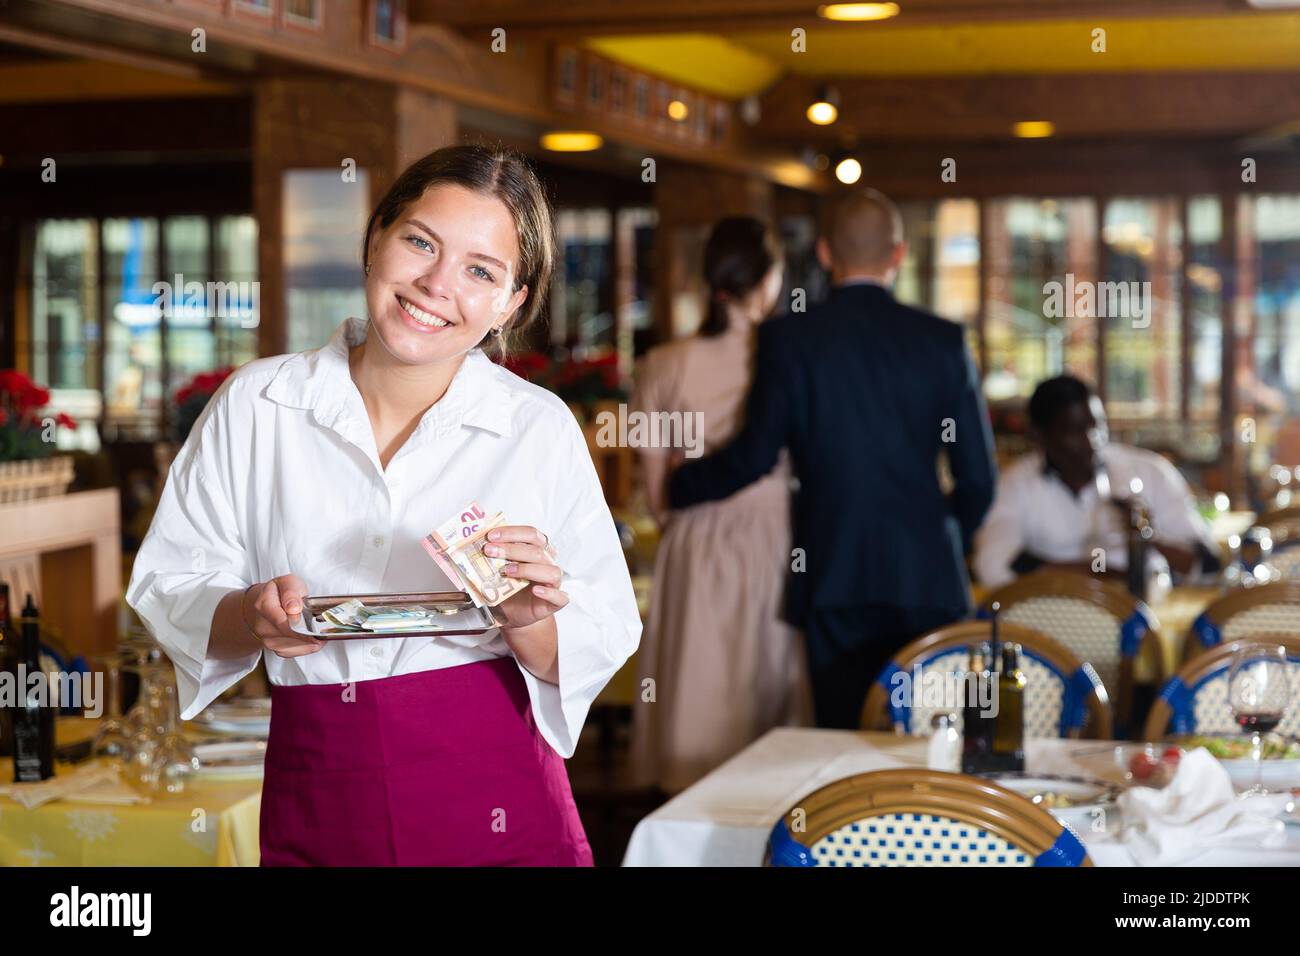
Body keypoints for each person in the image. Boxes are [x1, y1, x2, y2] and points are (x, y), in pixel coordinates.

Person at [126, 145, 642, 866]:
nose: (436, 284)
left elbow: (603, 632)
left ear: (510, 303)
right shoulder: (259, 403)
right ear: (375, 240)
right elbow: (169, 585)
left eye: (480, 271)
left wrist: (528, 622)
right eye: (420, 242)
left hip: (495, 791)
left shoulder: (537, 426)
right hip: (319, 784)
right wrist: (251, 614)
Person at [667, 188, 997, 730]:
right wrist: (938, 534)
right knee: (930, 743)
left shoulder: (790, 339)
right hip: (927, 578)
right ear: (898, 254)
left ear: (824, 253)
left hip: (834, 574)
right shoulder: (942, 341)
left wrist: (682, 485)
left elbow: (754, 456)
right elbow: (978, 480)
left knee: (842, 746)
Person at [629, 216, 811, 794]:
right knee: (766, 688)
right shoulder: (790, 360)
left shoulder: (662, 364)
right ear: (767, 281)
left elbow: (656, 495)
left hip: (695, 539)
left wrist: (686, 517)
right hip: (776, 535)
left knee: (697, 685)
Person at [974, 374, 1220, 593]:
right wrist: (1106, 580)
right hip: (1052, 616)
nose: (1091, 440)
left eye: (1096, 426)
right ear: (1039, 435)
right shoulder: (1016, 484)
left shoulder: (1148, 472)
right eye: (1073, 430)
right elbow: (993, 566)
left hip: (1144, 617)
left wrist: (1147, 535)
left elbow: (1208, 564)